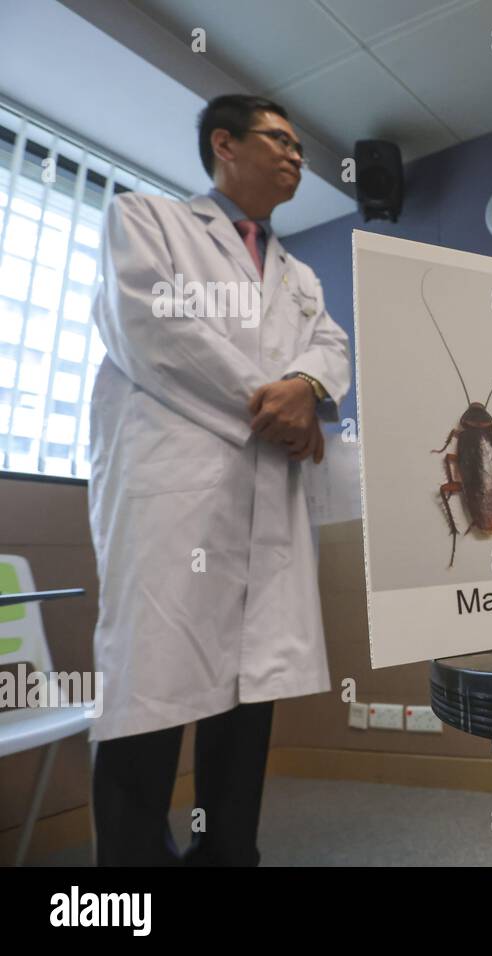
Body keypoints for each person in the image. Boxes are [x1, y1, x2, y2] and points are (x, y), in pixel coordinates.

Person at [87, 94, 351, 865]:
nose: (299, 155)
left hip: (264, 504)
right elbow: (152, 328)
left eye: (302, 145)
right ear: (223, 144)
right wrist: (280, 406)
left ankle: (229, 855)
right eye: (281, 139)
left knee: (246, 698)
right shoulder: (146, 220)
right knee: (152, 693)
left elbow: (331, 350)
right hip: (175, 496)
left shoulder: (300, 275)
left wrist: (307, 386)